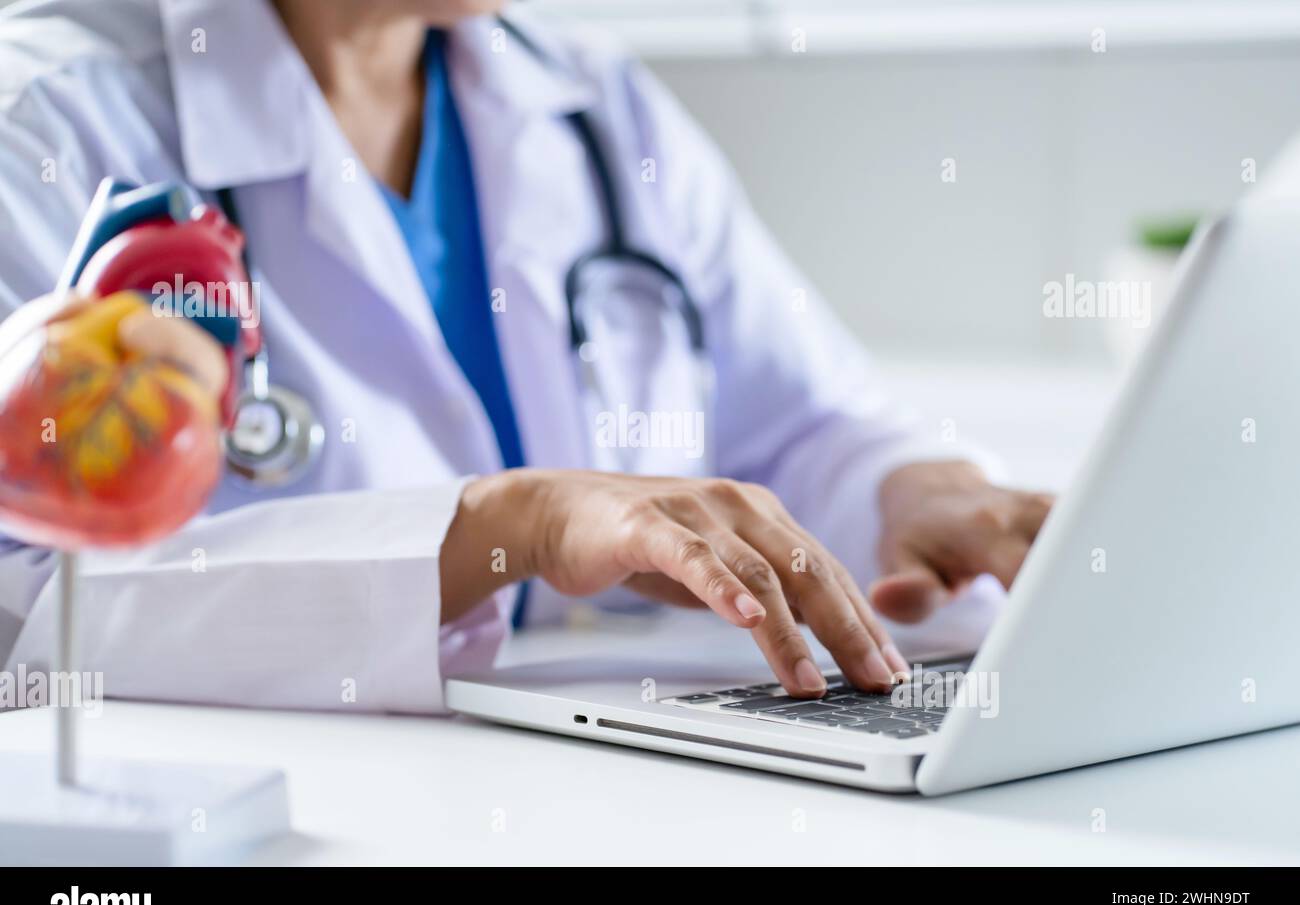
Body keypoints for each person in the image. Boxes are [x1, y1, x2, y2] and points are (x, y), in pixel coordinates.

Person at [0, 0, 1051, 712]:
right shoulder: (43, 119)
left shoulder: (593, 101)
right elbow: (29, 608)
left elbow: (801, 422)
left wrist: (915, 496)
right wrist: (517, 529)